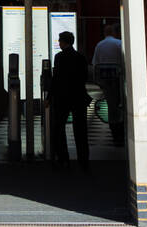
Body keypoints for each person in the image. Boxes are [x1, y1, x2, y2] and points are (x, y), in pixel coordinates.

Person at [50, 30, 90, 170]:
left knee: (59, 127)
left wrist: (50, 96)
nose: (59, 43)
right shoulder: (80, 57)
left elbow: (56, 78)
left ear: (63, 42)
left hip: (63, 97)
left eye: (60, 41)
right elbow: (85, 76)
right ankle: (83, 160)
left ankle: (63, 158)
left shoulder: (59, 57)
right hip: (78, 96)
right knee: (80, 129)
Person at [92, 24, 125, 147]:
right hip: (119, 79)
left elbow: (95, 63)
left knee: (111, 108)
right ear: (114, 32)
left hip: (106, 81)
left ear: (105, 33)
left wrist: (99, 82)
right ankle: (122, 133)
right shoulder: (119, 43)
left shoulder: (99, 45)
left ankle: (115, 134)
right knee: (120, 106)